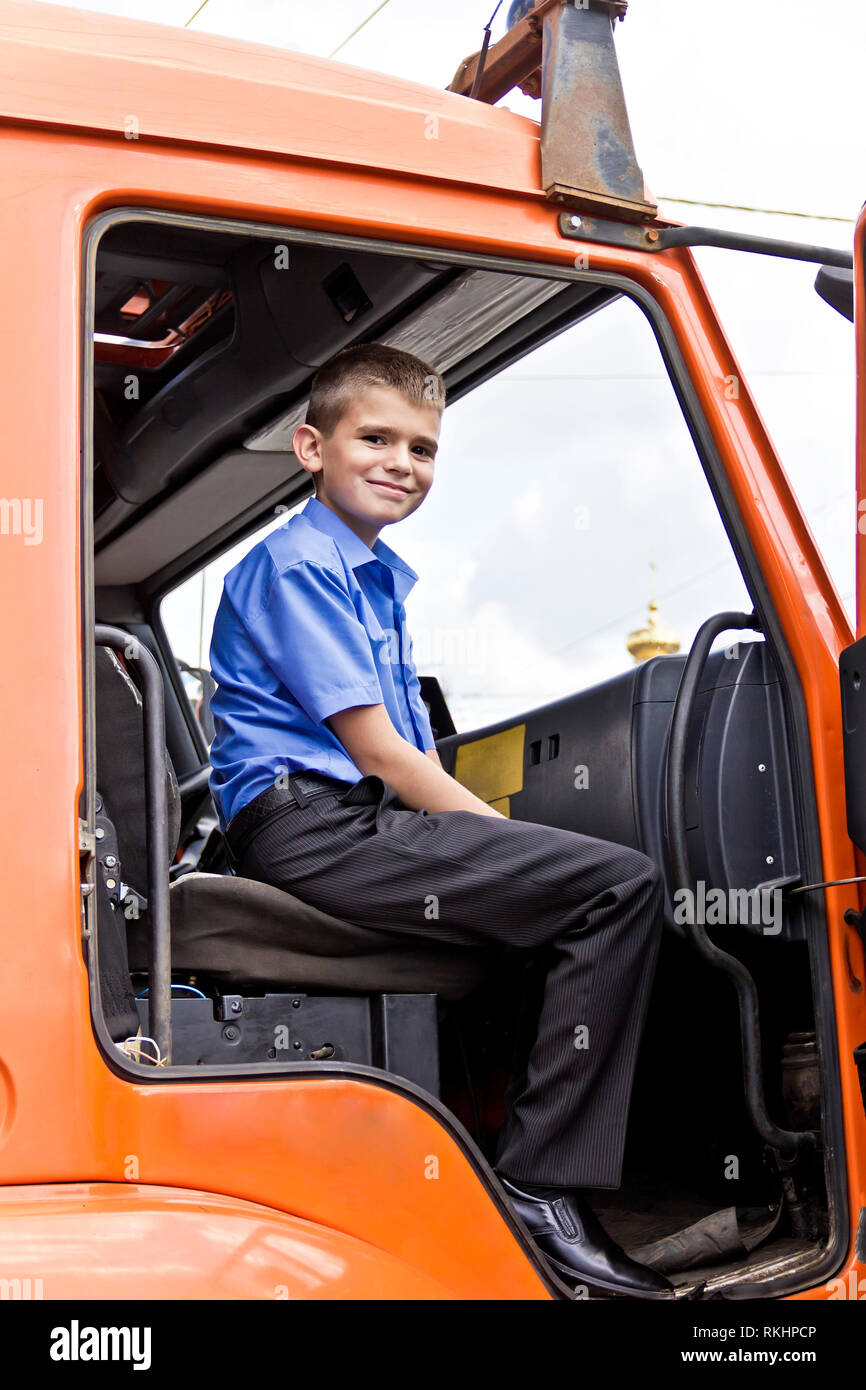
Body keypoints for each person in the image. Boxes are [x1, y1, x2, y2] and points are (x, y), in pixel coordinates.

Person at [207, 342, 672, 1298]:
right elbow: (381, 754)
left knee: (546, 906)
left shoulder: (374, 577)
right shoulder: (300, 565)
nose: (400, 464)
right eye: (373, 438)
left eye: (421, 448)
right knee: (620, 885)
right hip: (310, 827)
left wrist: (509, 845)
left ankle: (470, 1173)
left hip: (341, 819)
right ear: (311, 448)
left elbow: (413, 754)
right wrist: (512, 844)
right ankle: (541, 1185)